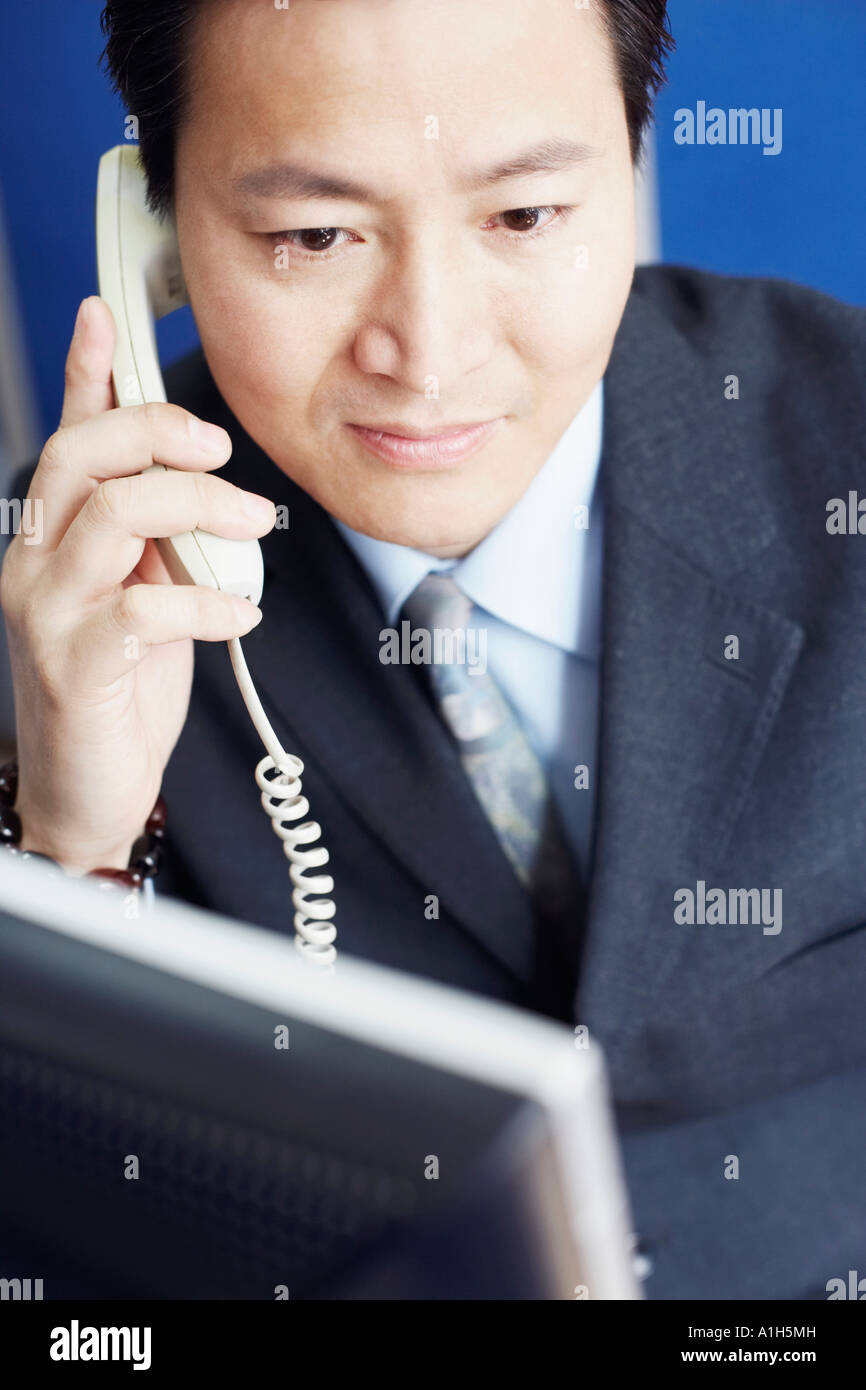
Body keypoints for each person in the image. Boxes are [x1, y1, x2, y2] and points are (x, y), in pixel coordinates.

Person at [2, 0, 865, 1299]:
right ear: (158, 233)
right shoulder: (59, 605)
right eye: (313, 235)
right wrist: (75, 850)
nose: (430, 354)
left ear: (629, 162)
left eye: (522, 218)